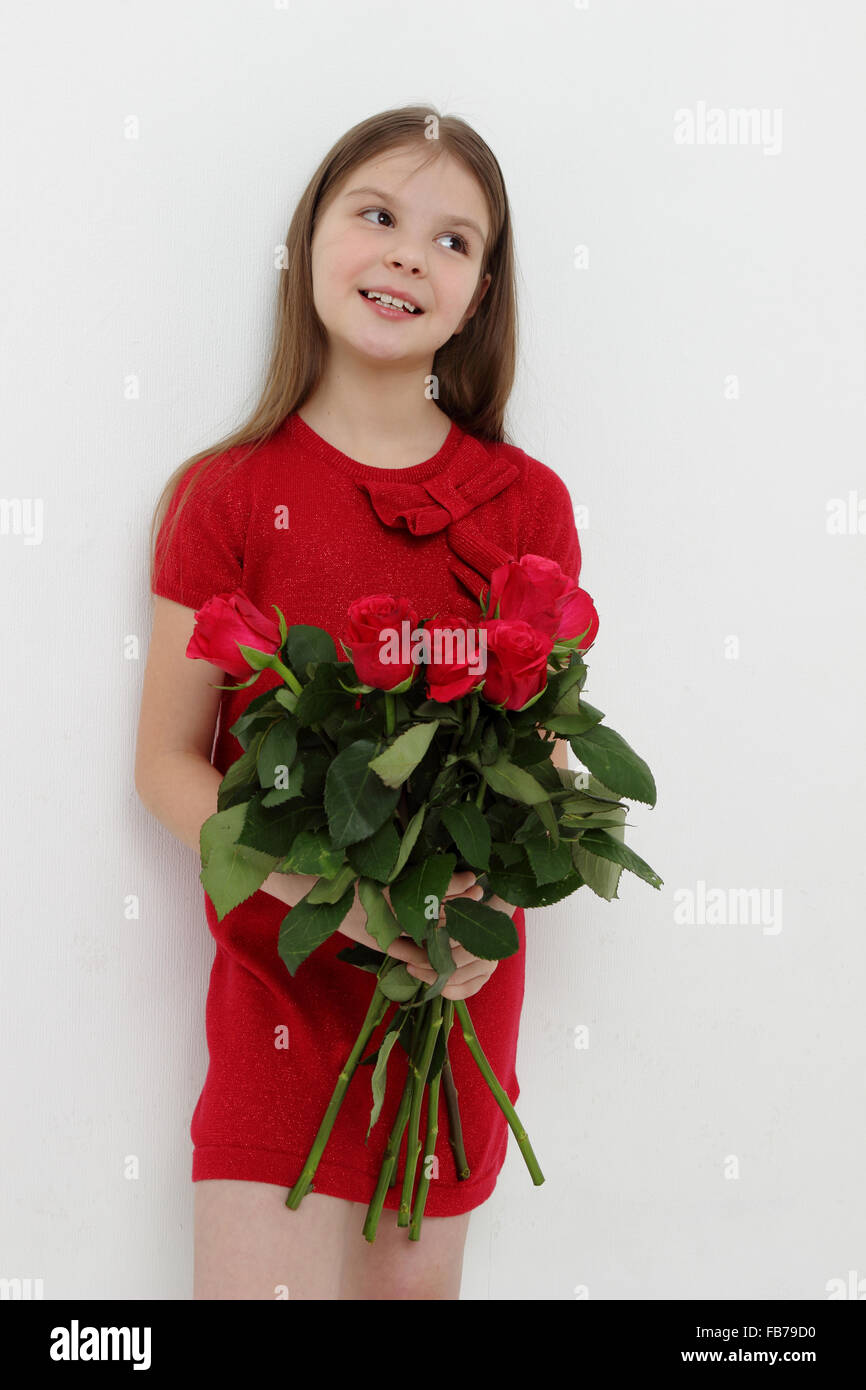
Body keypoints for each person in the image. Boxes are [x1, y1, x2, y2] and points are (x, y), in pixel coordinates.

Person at [135, 104, 583, 1301]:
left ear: (481, 292)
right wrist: (339, 906)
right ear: (308, 245)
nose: (402, 254)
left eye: (450, 240)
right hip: (281, 987)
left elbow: (530, 768)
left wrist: (447, 924)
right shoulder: (226, 494)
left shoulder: (524, 506)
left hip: (449, 992)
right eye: (374, 215)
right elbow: (168, 763)